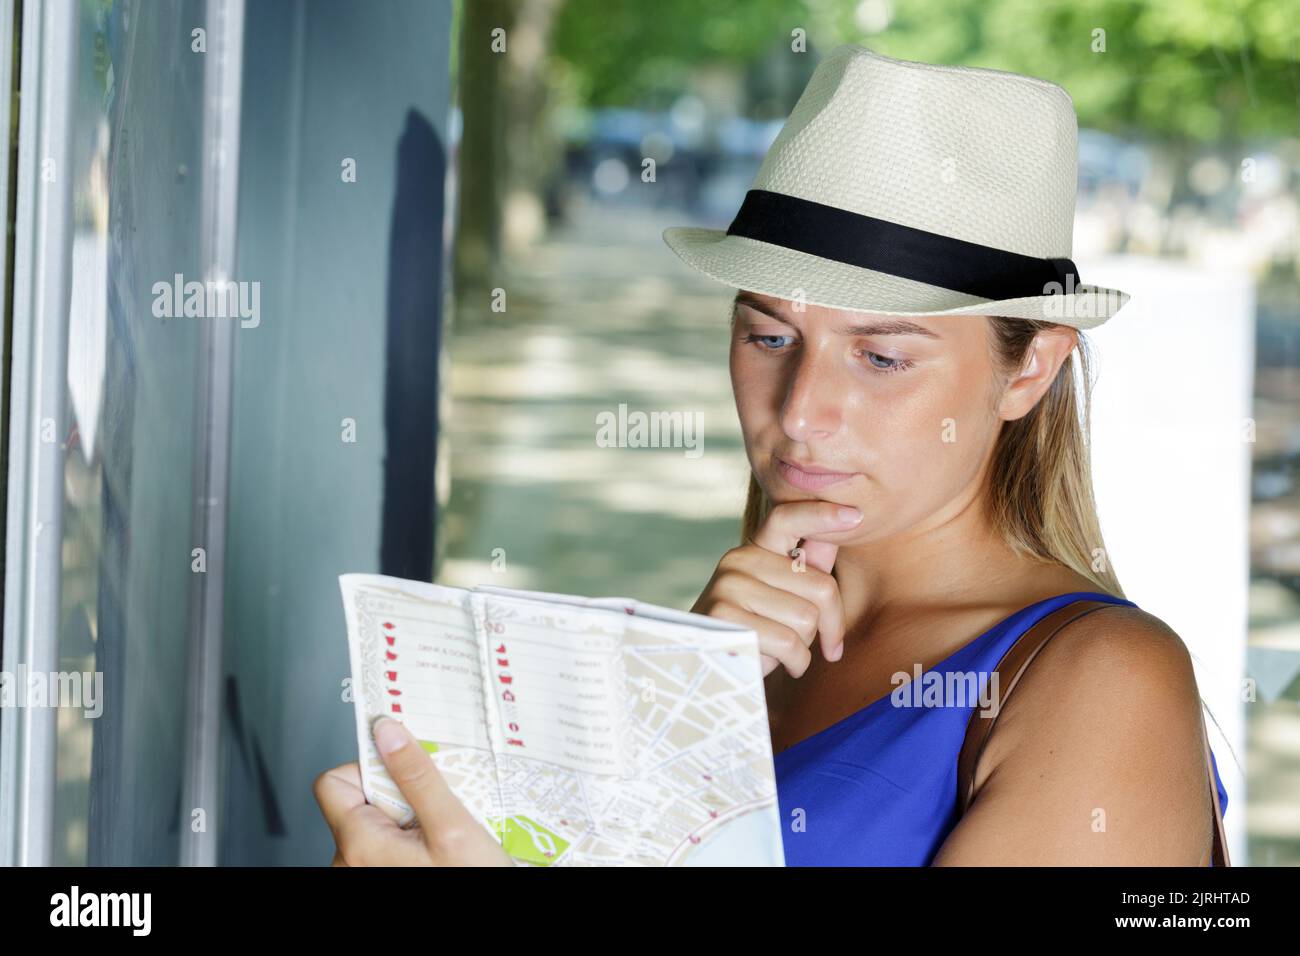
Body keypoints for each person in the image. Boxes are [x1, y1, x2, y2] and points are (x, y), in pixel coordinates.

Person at [315, 43, 1229, 866]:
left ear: (1029, 368)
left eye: (881, 356)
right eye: (767, 336)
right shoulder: (727, 644)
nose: (801, 414)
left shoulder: (1104, 680)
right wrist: (678, 702)